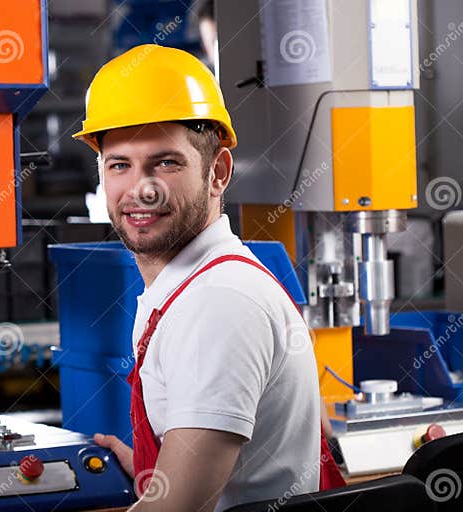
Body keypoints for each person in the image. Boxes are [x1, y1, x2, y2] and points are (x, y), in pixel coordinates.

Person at [72, 44, 344, 511]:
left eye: (166, 162)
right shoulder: (188, 287)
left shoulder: (219, 302)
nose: (142, 188)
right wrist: (157, 475)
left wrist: (170, 491)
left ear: (217, 172)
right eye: (120, 164)